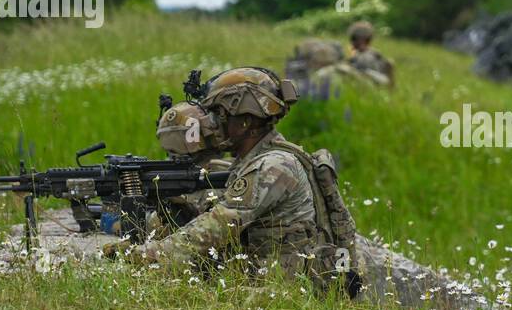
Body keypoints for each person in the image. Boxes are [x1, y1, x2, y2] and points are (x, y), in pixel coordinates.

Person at [107, 67, 342, 285]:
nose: (211, 124)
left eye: (218, 114)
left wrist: (144, 255)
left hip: (283, 286)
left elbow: (217, 226)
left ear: (246, 121)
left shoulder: (272, 166)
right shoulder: (252, 161)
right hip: (269, 273)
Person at [346, 20, 395, 87]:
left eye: (353, 39)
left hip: (370, 79)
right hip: (378, 79)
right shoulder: (375, 53)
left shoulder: (362, 54)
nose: (351, 42)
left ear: (361, 40)